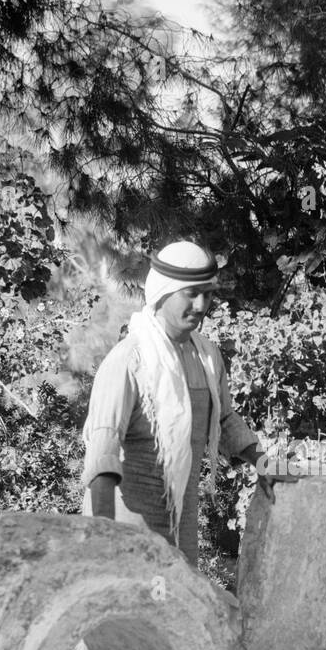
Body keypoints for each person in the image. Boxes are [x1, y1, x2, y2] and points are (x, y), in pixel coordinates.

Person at [79, 240, 293, 566]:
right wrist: (103, 532)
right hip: (126, 526)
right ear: (164, 292)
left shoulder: (207, 356)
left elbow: (224, 420)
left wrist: (264, 463)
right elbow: (103, 448)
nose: (201, 304)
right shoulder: (129, 360)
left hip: (180, 523)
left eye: (207, 293)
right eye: (190, 293)